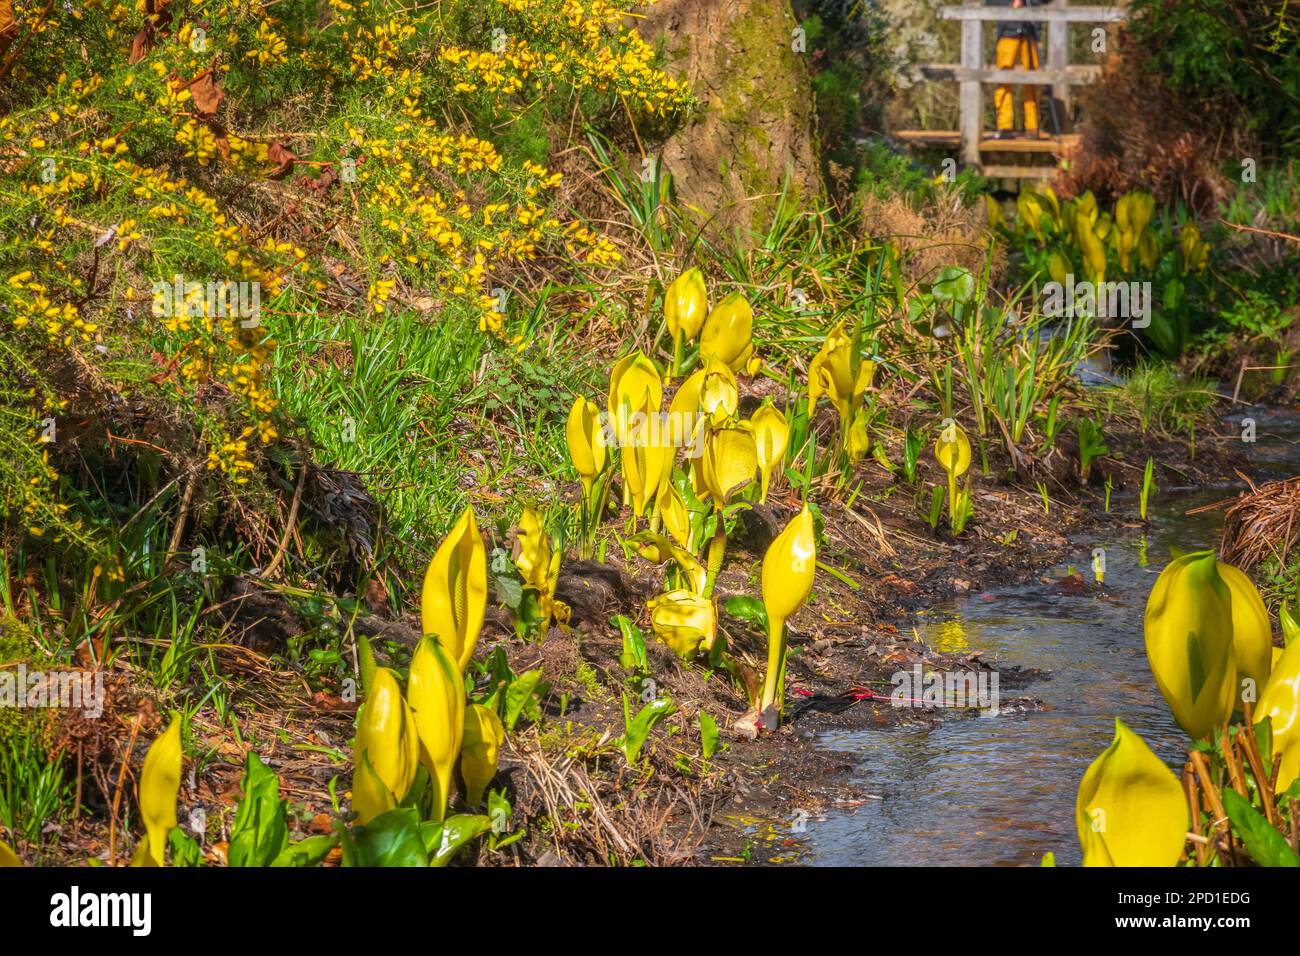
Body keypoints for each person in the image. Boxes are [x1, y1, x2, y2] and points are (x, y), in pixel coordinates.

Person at [990, 0, 1052, 139]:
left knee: (1033, 80)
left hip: (1031, 30)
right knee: (1003, 78)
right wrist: (1010, 5)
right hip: (1007, 30)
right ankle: (1004, 126)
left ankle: (1032, 127)